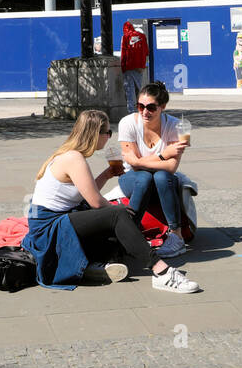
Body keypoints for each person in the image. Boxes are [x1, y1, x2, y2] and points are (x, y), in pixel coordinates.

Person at [23, 108, 199, 293]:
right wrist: (123, 214)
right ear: (95, 134)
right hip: (50, 228)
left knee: (119, 231)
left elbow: (83, 193)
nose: (109, 136)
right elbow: (96, 203)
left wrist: (107, 175)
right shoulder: (74, 158)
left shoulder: (69, 154)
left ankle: (91, 265)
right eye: (107, 132)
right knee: (117, 216)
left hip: (54, 223)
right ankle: (161, 272)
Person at [117, 81, 190, 258]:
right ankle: (129, 234)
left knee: (161, 177)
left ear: (162, 107)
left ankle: (176, 236)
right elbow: (133, 166)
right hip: (133, 180)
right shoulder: (128, 123)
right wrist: (164, 155)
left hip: (163, 182)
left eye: (150, 107)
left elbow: (172, 167)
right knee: (143, 178)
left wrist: (141, 161)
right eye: (140, 106)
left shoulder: (174, 125)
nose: (144, 111)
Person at [120, 20, 149, 111]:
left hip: (129, 67)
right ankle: (141, 108)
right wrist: (142, 65)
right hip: (140, 67)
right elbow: (147, 52)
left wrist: (123, 67)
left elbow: (123, 53)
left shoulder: (125, 37)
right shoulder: (142, 36)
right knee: (139, 88)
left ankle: (131, 111)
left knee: (129, 90)